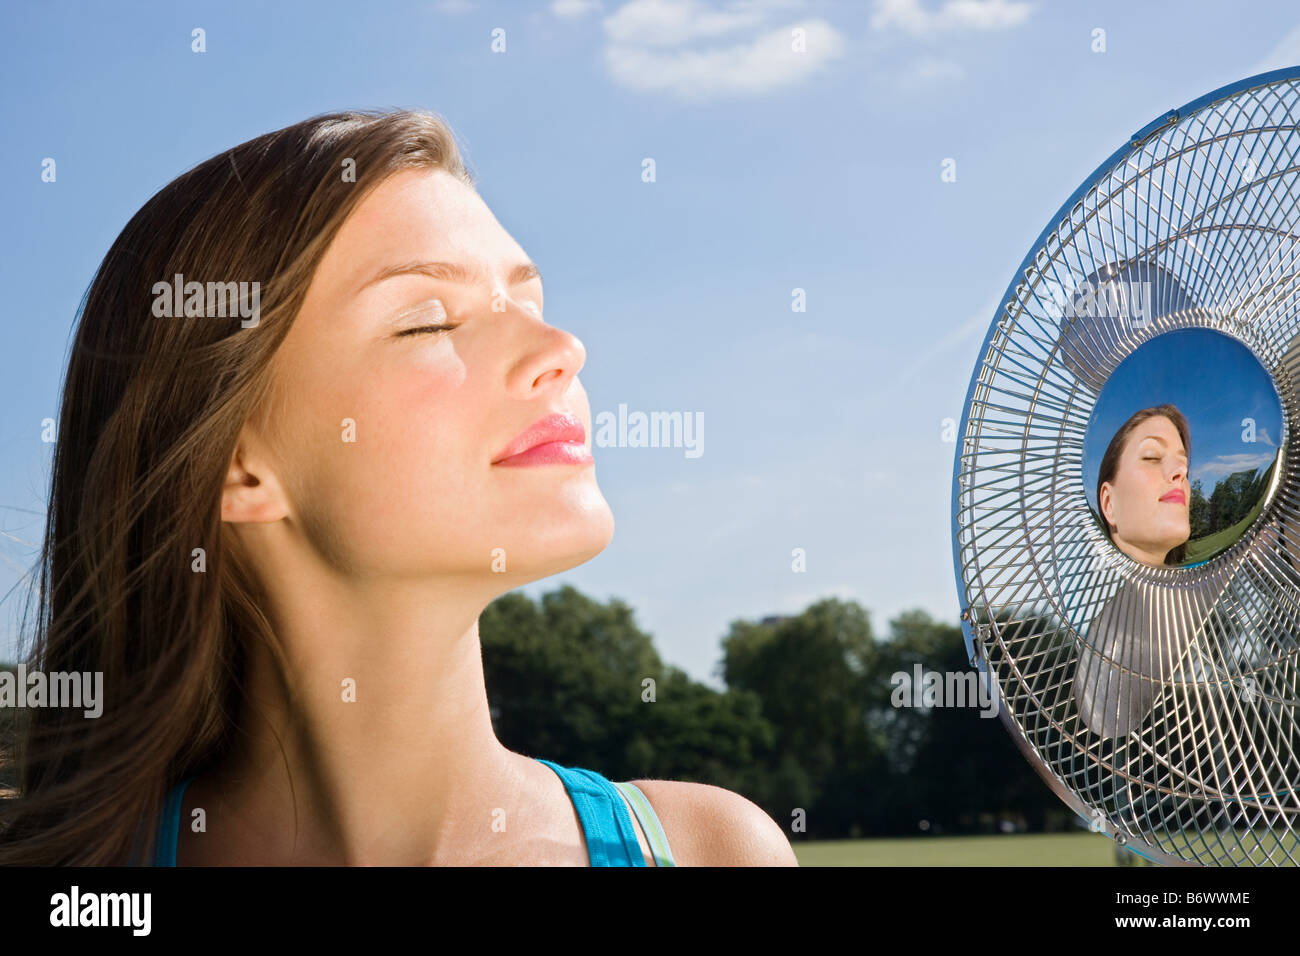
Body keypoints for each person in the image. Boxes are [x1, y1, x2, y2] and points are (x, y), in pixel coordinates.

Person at [0, 110, 798, 867]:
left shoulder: (714, 850)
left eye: (530, 302)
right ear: (240, 467)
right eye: (430, 321)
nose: (563, 348)